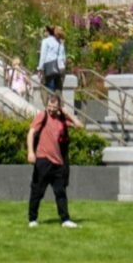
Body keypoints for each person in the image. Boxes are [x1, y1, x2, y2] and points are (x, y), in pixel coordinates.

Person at [25, 93, 83, 227]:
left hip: (58, 163)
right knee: (37, 191)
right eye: (49, 106)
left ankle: (65, 219)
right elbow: (31, 132)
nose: (51, 109)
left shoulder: (62, 120)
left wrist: (68, 114)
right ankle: (32, 219)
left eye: (54, 107)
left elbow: (80, 126)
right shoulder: (42, 116)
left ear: (59, 107)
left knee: (60, 192)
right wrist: (30, 152)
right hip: (43, 160)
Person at [37, 25, 66, 95]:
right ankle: (58, 101)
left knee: (43, 85)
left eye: (45, 31)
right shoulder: (60, 42)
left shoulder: (46, 41)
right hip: (61, 68)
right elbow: (64, 58)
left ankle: (47, 102)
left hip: (50, 67)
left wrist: (40, 69)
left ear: (49, 32)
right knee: (58, 89)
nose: (44, 33)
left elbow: (43, 56)